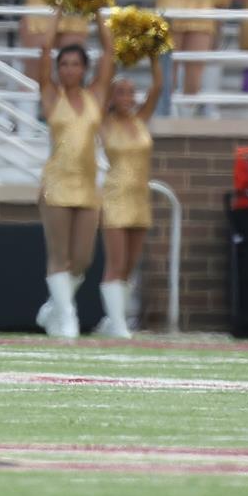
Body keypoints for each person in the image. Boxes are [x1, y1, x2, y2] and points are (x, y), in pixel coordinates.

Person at [35, 19, 116, 339]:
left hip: (86, 183)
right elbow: (43, 51)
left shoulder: (96, 95)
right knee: (59, 255)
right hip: (56, 182)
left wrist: (98, 12)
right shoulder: (52, 96)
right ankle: (67, 316)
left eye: (75, 64)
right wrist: (58, 10)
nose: (69, 70)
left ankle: (54, 306)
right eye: (64, 64)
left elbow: (110, 52)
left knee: (82, 259)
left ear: (84, 68)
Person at [99, 53, 168, 339]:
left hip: (140, 196)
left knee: (130, 264)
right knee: (115, 262)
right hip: (115, 194)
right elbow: (101, 86)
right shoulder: (105, 122)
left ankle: (115, 318)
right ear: (112, 96)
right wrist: (113, 56)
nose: (127, 97)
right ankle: (118, 324)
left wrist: (153, 54)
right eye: (120, 92)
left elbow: (159, 87)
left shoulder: (141, 119)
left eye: (130, 92)